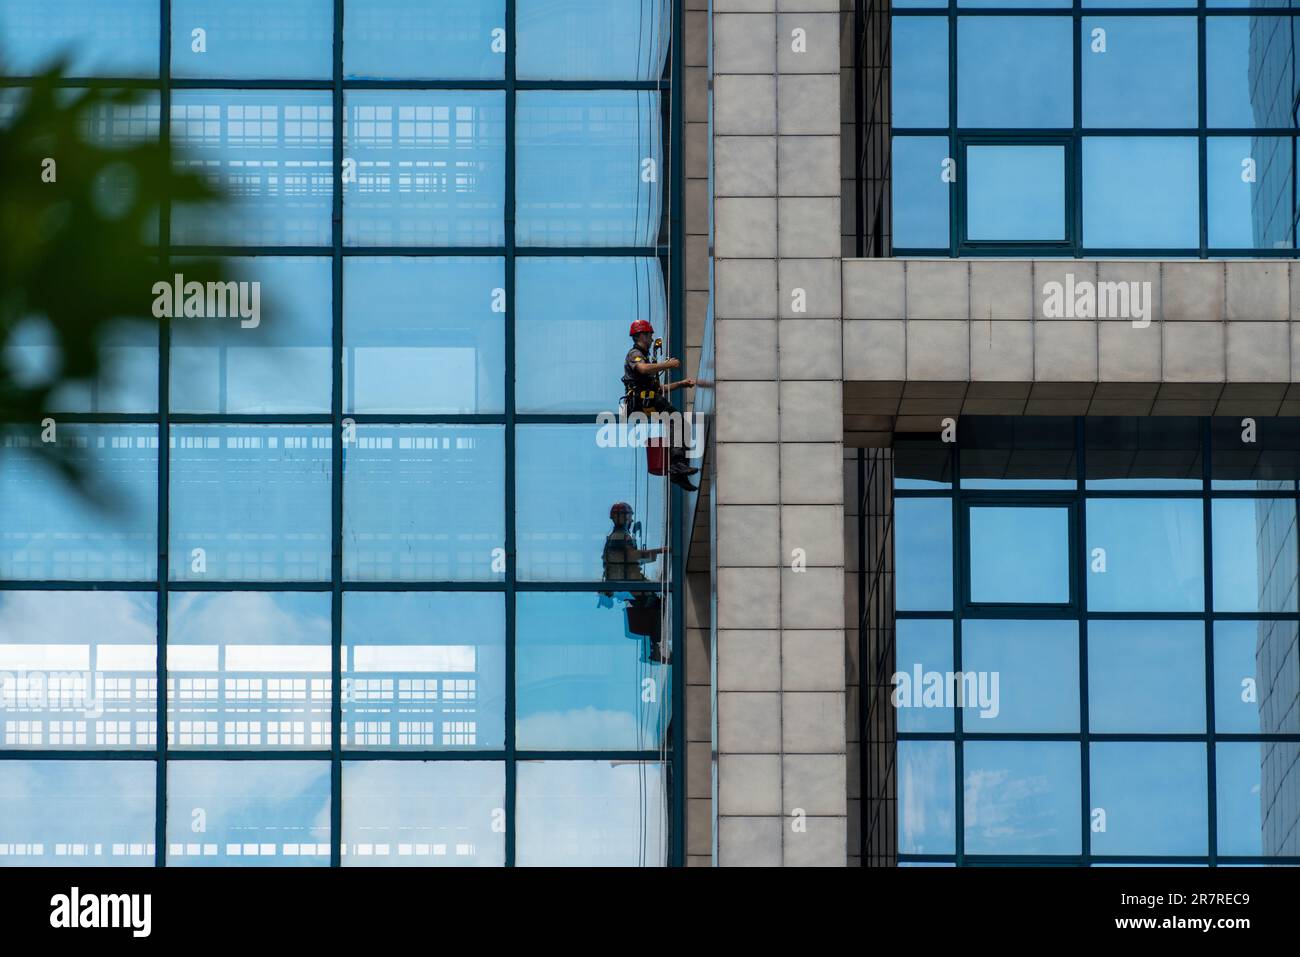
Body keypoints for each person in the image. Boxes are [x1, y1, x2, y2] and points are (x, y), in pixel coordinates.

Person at [622, 318, 699, 492]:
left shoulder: (646, 358)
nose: (651, 339)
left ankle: (679, 471)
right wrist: (668, 364)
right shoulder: (635, 354)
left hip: (648, 398)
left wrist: (681, 384)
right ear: (642, 335)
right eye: (649, 335)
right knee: (676, 420)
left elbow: (658, 388)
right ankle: (677, 466)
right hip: (643, 401)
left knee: (678, 423)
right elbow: (642, 369)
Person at [601, 502, 669, 664]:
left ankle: (654, 647)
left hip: (628, 579)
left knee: (651, 604)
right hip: (629, 580)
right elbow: (632, 556)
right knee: (654, 602)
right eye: (629, 516)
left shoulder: (620, 535)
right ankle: (655, 648)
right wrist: (660, 551)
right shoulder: (620, 536)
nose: (631, 519)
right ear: (623, 517)